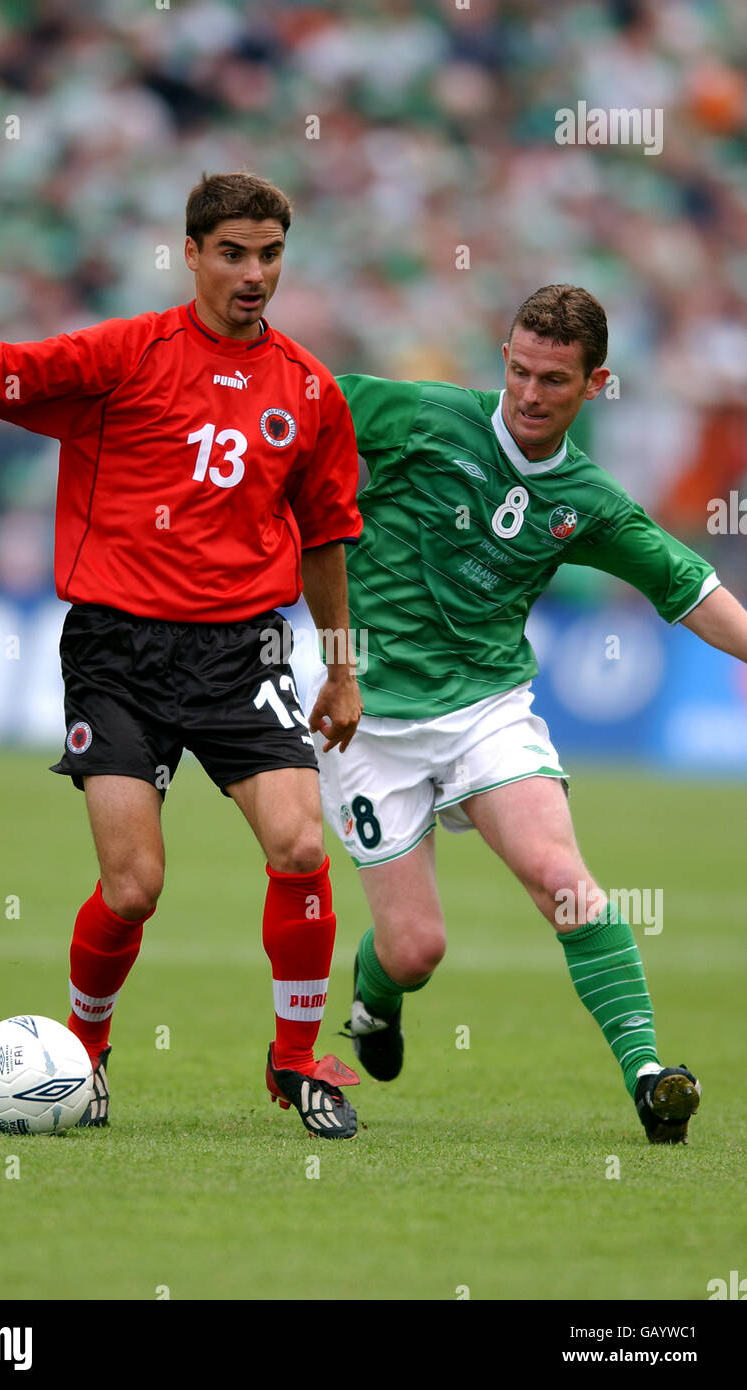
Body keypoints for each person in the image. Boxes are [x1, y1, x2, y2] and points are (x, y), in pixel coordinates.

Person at [0, 171, 365, 1140]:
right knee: (134, 886)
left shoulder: (310, 391)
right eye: (232, 254)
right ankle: (83, 1052)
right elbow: (16, 375)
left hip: (243, 651)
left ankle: (293, 1062)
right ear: (190, 254)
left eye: (269, 255)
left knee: (300, 843)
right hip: (117, 648)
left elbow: (324, 535)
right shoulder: (127, 352)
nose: (253, 274)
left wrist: (341, 665)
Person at [312, 283, 747, 1144]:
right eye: (518, 371)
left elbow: (690, 589)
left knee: (562, 880)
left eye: (554, 379)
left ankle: (650, 1078)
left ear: (595, 384)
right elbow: (295, 407)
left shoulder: (588, 499)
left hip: (487, 709)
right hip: (369, 713)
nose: (529, 394)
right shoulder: (425, 416)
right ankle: (373, 999)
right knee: (415, 951)